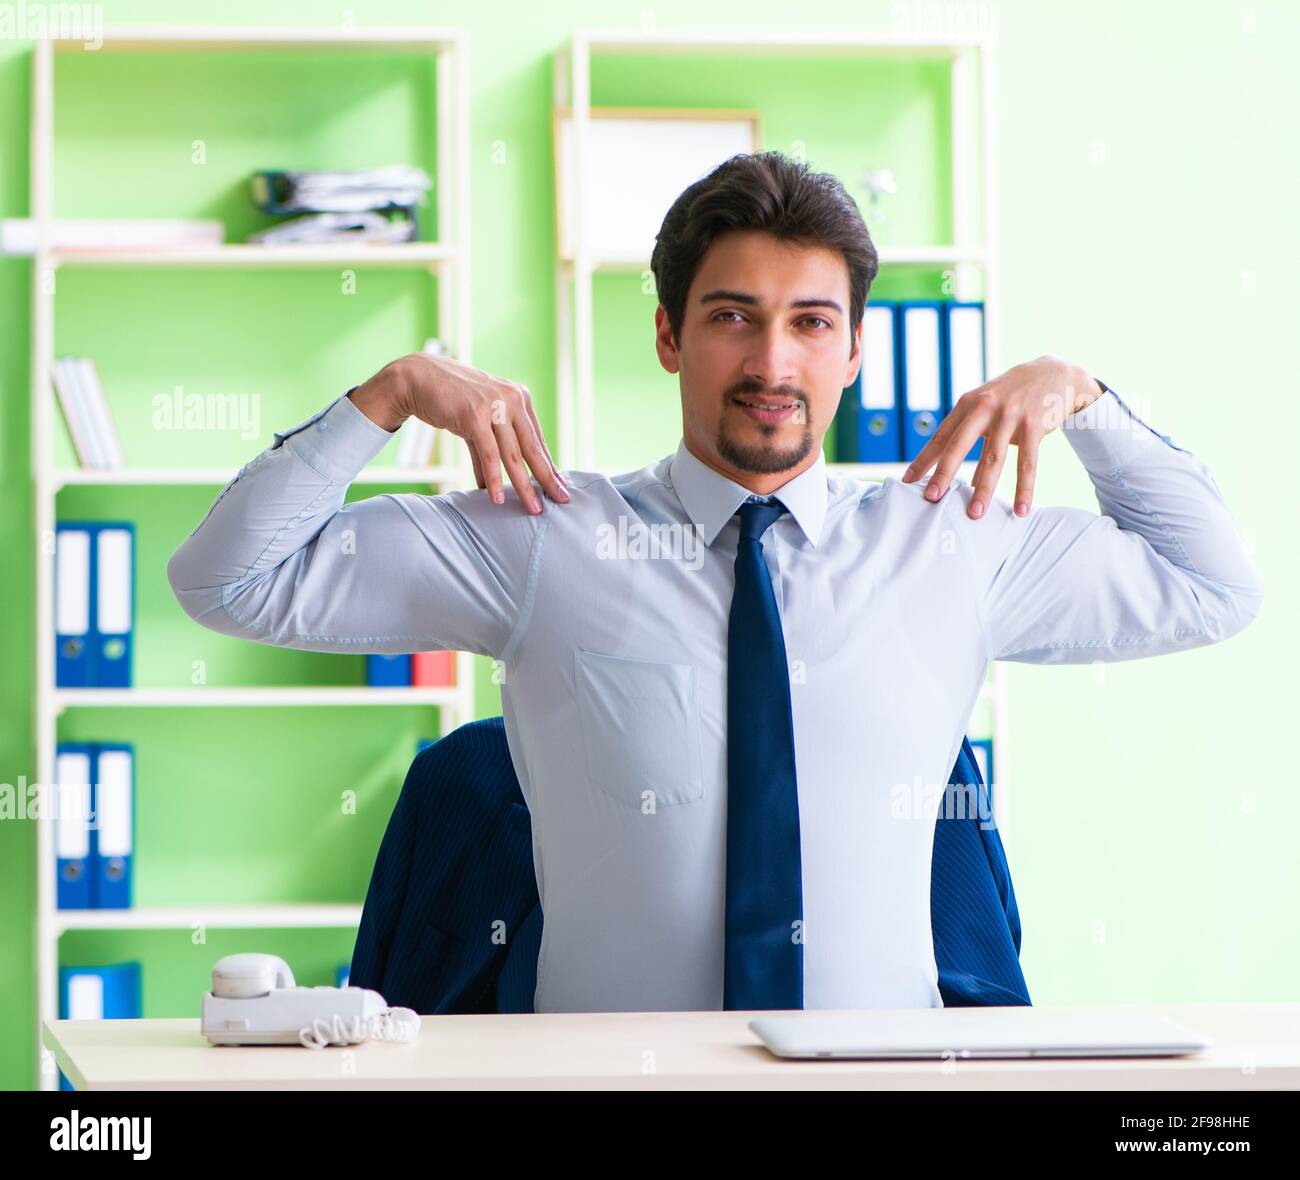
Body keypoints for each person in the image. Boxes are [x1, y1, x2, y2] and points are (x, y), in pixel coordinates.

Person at [167, 151, 1263, 1014]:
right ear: (667, 335)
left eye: (809, 323)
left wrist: (1086, 399)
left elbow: (1214, 586)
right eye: (732, 315)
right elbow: (228, 583)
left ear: (854, 352)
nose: (771, 364)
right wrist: (387, 395)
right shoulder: (545, 532)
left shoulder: (953, 540)